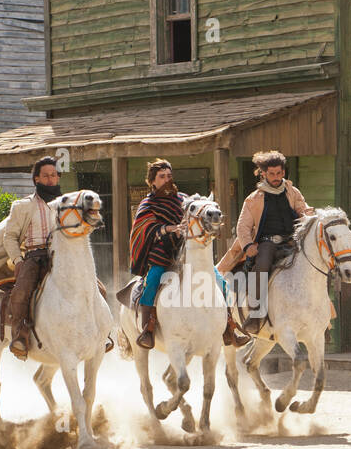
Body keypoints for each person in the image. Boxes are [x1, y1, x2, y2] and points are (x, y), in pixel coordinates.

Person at [128, 159, 248, 350]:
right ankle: (147, 329)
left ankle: (229, 326)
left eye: (169, 176)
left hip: (187, 251)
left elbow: (198, 213)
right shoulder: (147, 204)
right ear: (152, 181)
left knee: (220, 282)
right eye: (162, 176)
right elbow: (144, 228)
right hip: (162, 253)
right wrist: (170, 228)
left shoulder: (183, 199)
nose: (167, 179)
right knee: (152, 280)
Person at [230, 150, 313, 333]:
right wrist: (248, 246)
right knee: (262, 265)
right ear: (264, 174)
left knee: (313, 263)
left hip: (291, 241)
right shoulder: (253, 199)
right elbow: (242, 227)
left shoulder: (293, 192)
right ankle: (257, 314)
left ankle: (318, 315)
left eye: (279, 173)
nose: (276, 177)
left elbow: (302, 209)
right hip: (266, 243)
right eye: (272, 174)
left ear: (283, 172)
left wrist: (307, 213)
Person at [3, 156, 63, 360]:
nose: (50, 179)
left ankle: (101, 333)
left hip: (63, 255)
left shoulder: (67, 204)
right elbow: (10, 236)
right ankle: (20, 335)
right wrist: (18, 261)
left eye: (54, 175)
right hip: (35, 256)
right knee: (20, 293)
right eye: (45, 175)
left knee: (96, 286)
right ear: (36, 179)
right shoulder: (22, 206)